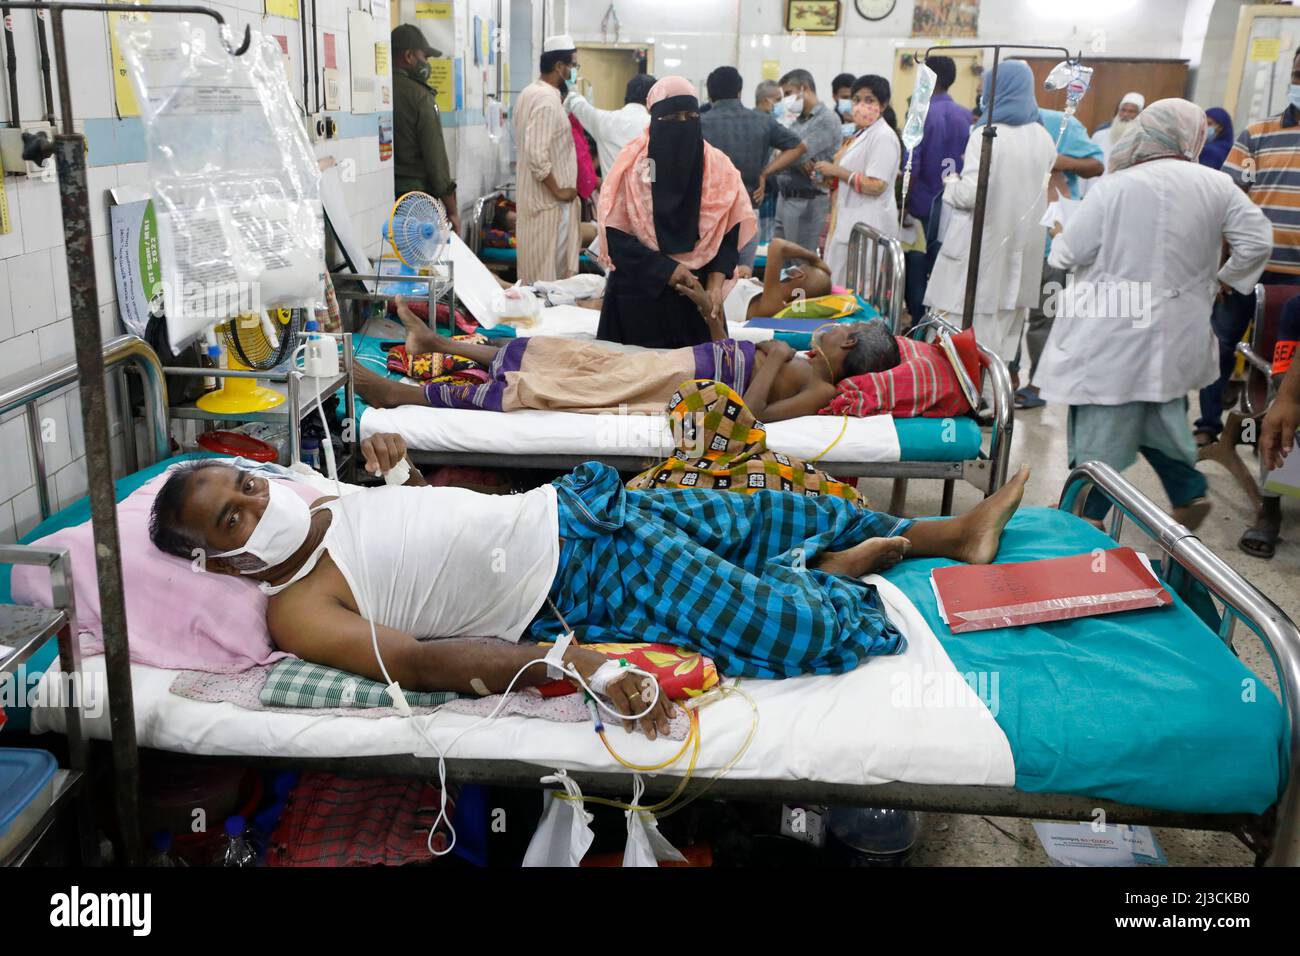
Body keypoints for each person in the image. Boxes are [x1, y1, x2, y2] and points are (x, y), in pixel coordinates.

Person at [148, 440, 1032, 736]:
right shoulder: (297, 610)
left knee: (773, 509)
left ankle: (947, 532)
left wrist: (397, 467)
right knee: (790, 630)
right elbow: (420, 659)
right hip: (582, 577)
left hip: (574, 504)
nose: (256, 507)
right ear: (215, 565)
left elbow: (424, 525)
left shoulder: (316, 494)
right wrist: (577, 665)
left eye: (246, 487)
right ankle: (832, 582)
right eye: (232, 520)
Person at [1037, 99, 1271, 530]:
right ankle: (1187, 491)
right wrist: (1225, 279)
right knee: (1159, 410)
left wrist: (1058, 231)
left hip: (1113, 326)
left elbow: (1069, 254)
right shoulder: (1216, 185)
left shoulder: (1116, 187)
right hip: (1178, 328)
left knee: (1099, 421)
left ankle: (1080, 515)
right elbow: (1257, 241)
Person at [356, 296, 894, 424]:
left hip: (678, 387)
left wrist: (774, 361)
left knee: (561, 383)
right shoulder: (803, 355)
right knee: (563, 352)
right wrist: (715, 323)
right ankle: (440, 345)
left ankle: (400, 394)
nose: (832, 326)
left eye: (842, 328)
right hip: (682, 359)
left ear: (845, 347)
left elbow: (747, 419)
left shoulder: (819, 389)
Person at [594, 77, 755, 349]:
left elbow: (728, 238)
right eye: (671, 117)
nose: (683, 124)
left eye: (691, 116)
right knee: (634, 384)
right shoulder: (634, 167)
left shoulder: (719, 169)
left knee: (697, 386)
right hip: (638, 303)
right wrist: (667, 269)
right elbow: (616, 239)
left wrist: (715, 285)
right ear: (654, 119)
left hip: (697, 303)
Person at [924, 61, 1057, 377]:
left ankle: (962, 407)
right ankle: (990, 403)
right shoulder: (1043, 137)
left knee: (959, 341)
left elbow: (970, 195)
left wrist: (950, 183)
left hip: (979, 259)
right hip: (1020, 259)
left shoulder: (987, 135)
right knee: (1000, 343)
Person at [1198, 49, 1300, 448]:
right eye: (1297, 72)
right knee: (1219, 345)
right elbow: (1229, 203)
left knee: (1283, 361)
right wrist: (1223, 269)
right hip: (1249, 268)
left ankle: (1271, 429)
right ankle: (1207, 424)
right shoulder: (1256, 134)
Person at [1014, 93, 1106, 408]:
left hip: (1054, 239)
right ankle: (1007, 377)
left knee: (1044, 316)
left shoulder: (1059, 124)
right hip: (1012, 239)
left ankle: (1039, 385)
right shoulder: (995, 127)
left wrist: (1055, 161)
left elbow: (1096, 165)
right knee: (1008, 312)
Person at [701, 66, 807, 269]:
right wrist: (765, 172)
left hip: (710, 217)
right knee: (742, 279)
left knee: (712, 282)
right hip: (748, 213)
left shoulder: (700, 124)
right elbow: (799, 146)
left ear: (710, 95)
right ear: (740, 92)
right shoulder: (762, 121)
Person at [814, 75, 901, 288]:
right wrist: (827, 176)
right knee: (840, 287)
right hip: (848, 221)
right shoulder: (861, 134)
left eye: (869, 100)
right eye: (856, 99)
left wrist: (838, 171)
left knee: (859, 290)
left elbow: (877, 185)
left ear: (883, 104)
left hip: (868, 224)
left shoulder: (883, 137)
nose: (861, 106)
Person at [905, 55, 972, 324]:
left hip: (923, 204)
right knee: (944, 266)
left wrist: (905, 200)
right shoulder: (967, 117)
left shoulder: (920, 114)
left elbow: (913, 163)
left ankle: (919, 323)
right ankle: (941, 323)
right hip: (956, 205)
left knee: (918, 266)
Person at [514, 35, 582, 283]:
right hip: (549, 206)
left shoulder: (529, 93)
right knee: (548, 279)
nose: (573, 71)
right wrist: (559, 190)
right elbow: (536, 153)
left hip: (537, 204)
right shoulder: (546, 101)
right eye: (572, 66)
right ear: (559, 67)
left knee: (537, 276)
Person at [1240, 298, 1300, 557]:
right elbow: (1281, 375)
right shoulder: (1295, 308)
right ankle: (1270, 508)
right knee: (1284, 422)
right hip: (1293, 389)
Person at [391, 24, 460, 235]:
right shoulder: (421, 97)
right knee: (420, 261)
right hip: (416, 199)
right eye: (425, 57)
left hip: (386, 195)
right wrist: (452, 209)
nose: (427, 63)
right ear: (410, 56)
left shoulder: (382, 88)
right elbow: (435, 158)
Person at [774, 70, 843, 261]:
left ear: (804, 88)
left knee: (799, 268)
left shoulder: (826, 119)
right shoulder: (795, 120)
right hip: (785, 197)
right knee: (779, 262)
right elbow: (779, 150)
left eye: (788, 93)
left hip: (807, 201)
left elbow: (796, 151)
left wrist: (795, 154)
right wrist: (798, 157)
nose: (786, 100)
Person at [719, 237, 833, 325]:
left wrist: (814, 258)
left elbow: (777, 245)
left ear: (798, 275)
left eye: (799, 267)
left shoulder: (773, 305)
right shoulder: (763, 291)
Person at [564, 73, 656, 177]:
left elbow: (577, 103)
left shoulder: (603, 121)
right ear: (652, 99)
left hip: (610, 192)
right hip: (645, 192)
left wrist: (572, 77)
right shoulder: (656, 127)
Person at [1088, 92, 1145, 180]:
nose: (1125, 115)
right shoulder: (1099, 136)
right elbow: (1088, 164)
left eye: (1131, 111)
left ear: (1139, 115)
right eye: (1123, 110)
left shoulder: (1143, 140)